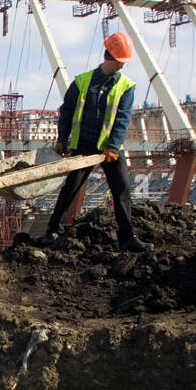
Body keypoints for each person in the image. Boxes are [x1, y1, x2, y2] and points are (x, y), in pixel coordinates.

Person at [35, 32, 150, 252]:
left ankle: (127, 237)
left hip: (110, 148)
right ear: (110, 56)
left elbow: (122, 119)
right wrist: (62, 139)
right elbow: (67, 112)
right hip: (84, 145)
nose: (123, 65)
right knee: (71, 188)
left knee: (122, 190)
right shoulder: (82, 81)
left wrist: (113, 147)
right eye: (121, 61)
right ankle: (53, 231)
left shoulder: (126, 86)